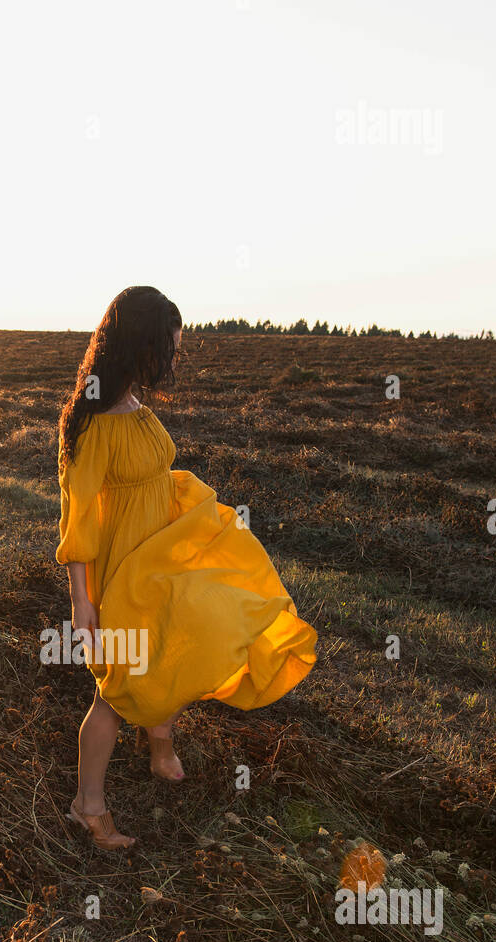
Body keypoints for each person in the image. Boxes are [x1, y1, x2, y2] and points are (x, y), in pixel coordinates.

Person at [57, 286, 317, 850]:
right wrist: (83, 604)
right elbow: (78, 521)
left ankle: (160, 748)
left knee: (183, 641)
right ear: (137, 347)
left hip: (163, 558)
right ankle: (88, 807)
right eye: (167, 352)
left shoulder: (135, 407)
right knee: (115, 690)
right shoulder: (96, 423)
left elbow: (156, 481)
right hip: (125, 571)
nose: (173, 363)